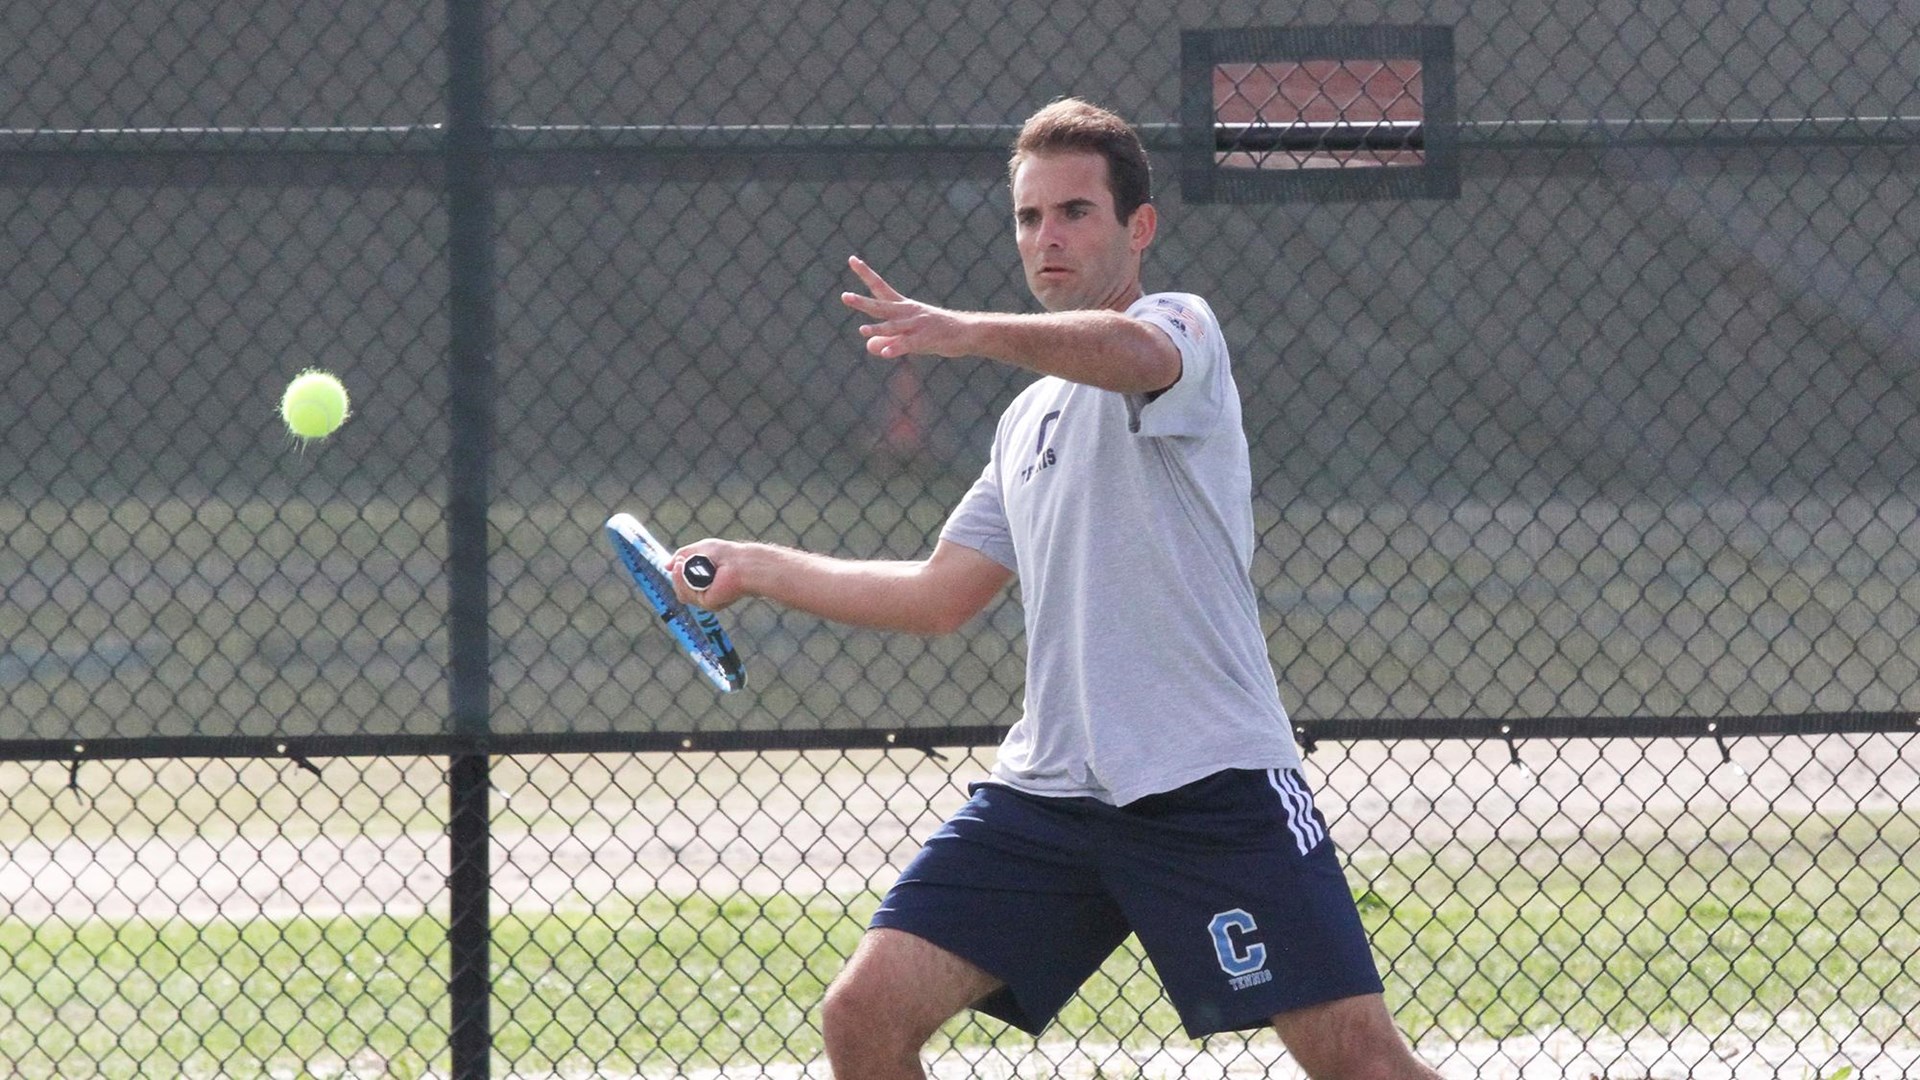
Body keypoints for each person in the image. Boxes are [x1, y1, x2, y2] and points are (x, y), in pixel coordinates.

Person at [670, 97, 1440, 1080]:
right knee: (862, 1016)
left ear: (1139, 227)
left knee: (1360, 1065)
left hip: (1210, 787)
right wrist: (760, 566)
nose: (1048, 237)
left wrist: (966, 332)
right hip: (1051, 801)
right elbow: (941, 594)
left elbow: (1134, 356)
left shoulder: (1178, 332)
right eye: (1030, 217)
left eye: (1076, 211)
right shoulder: (1028, 420)